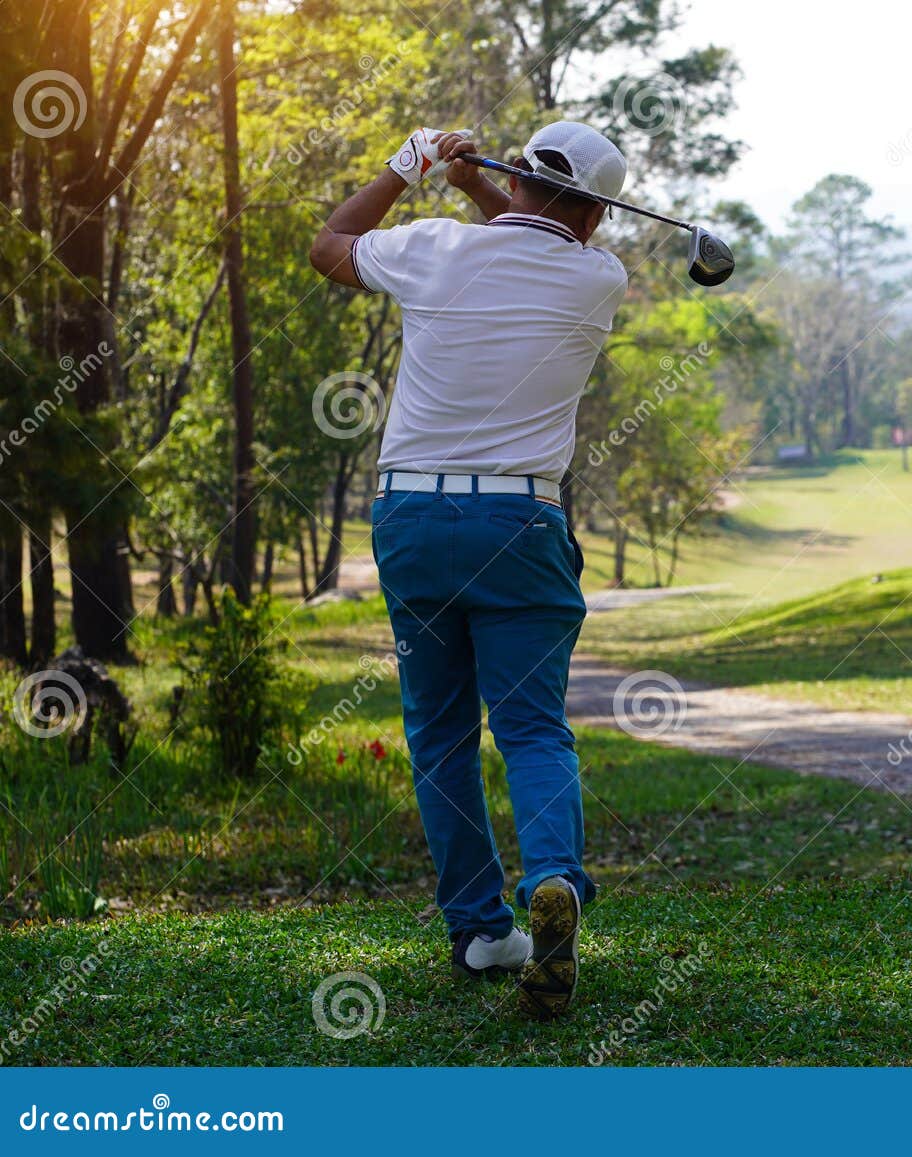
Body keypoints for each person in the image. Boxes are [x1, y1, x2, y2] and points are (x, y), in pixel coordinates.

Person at [308, 122, 629, 1018]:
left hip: (412, 515)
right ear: (597, 214)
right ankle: (552, 878)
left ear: (514, 175)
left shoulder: (433, 250)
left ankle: (482, 929)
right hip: (520, 521)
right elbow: (541, 235)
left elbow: (329, 246)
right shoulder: (600, 277)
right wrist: (479, 189)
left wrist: (411, 169)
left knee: (441, 735)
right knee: (531, 729)